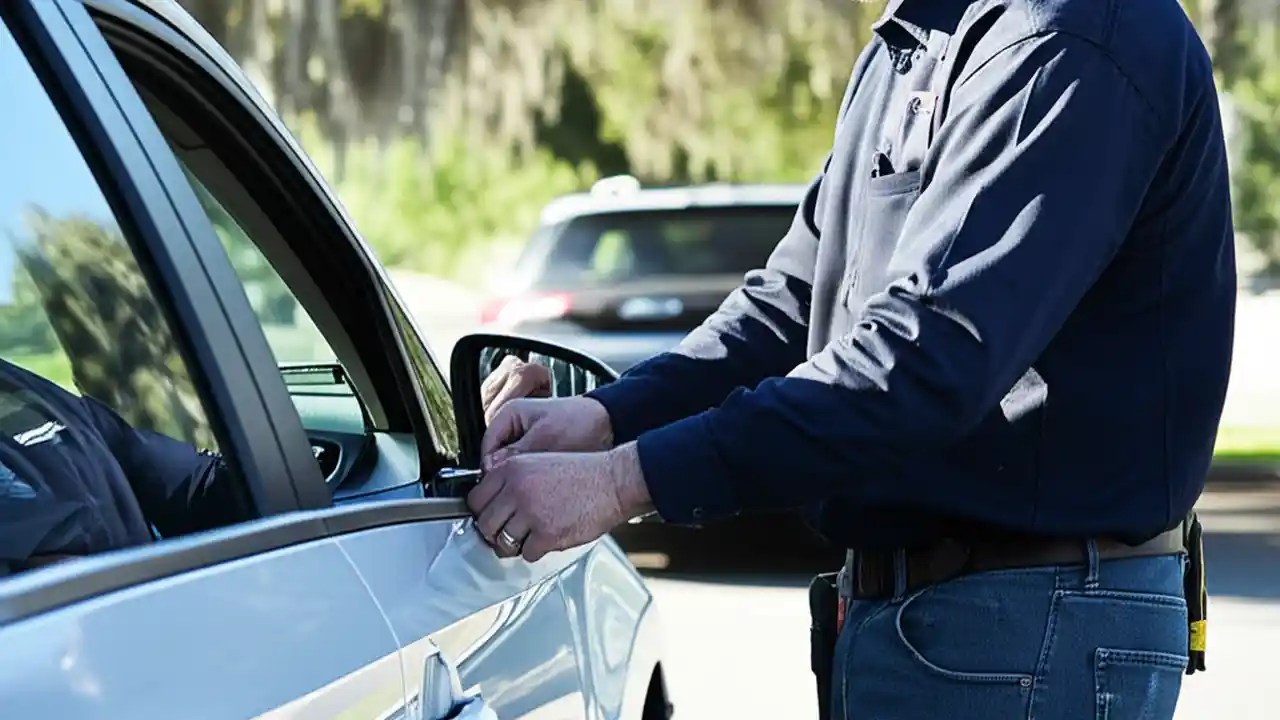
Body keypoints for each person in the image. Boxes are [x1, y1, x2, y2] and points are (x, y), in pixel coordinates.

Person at [467, 0, 1233, 716]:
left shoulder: (1067, 37)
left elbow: (924, 358)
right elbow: (797, 301)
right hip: (943, 623)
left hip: (1031, 625)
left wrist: (618, 482)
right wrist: (604, 415)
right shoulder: (916, 36)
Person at [0, 358, 248, 575]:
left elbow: (174, 473)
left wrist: (262, 479)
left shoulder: (21, 389)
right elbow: (52, 578)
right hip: (105, 613)